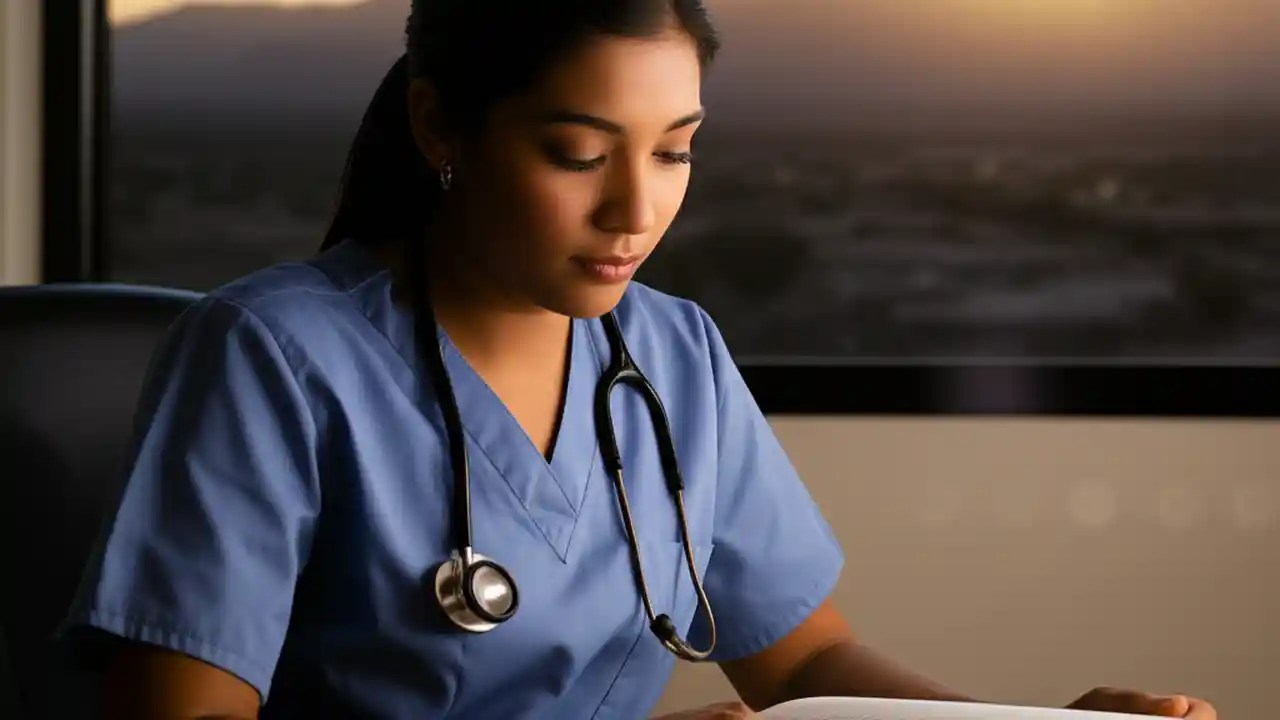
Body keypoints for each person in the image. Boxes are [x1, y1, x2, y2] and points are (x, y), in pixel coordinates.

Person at [61, 1, 1218, 718]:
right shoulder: (272, 358)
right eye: (576, 153)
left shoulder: (673, 352)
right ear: (437, 128)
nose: (634, 208)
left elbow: (804, 660)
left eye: (674, 153)